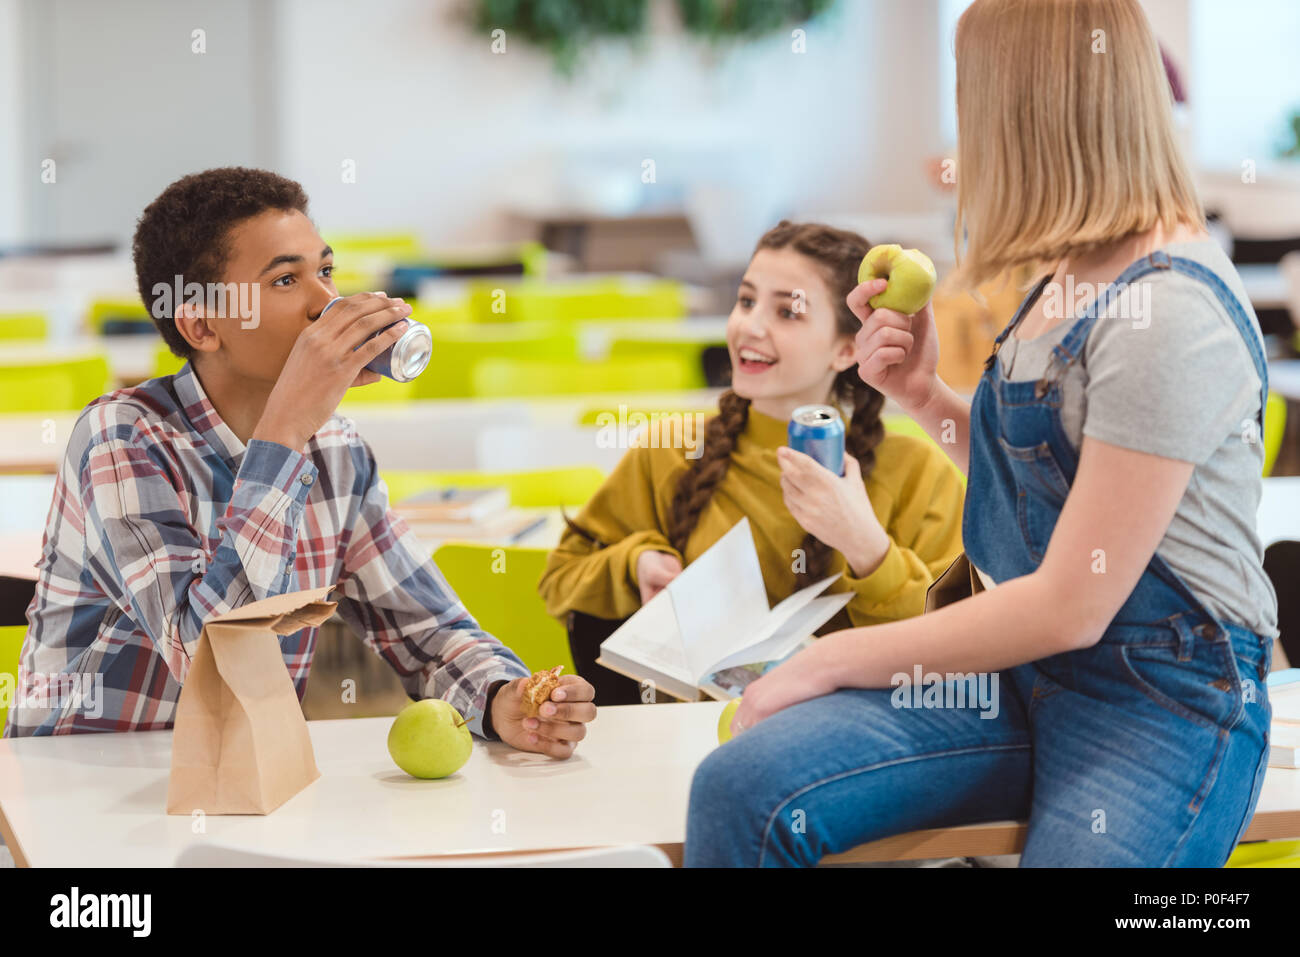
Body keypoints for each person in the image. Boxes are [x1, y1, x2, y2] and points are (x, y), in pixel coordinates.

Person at [686, 0, 1277, 867]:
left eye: (973, 97)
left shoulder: (1167, 310)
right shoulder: (1070, 272)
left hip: (1159, 697)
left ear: (1030, 111)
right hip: (1026, 671)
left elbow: (1075, 599)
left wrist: (834, 659)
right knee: (741, 786)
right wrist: (923, 394)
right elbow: (1046, 488)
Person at [8, 167, 595, 758]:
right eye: (286, 279)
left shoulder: (336, 450)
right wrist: (285, 430)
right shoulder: (123, 438)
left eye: (327, 270)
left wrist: (502, 698)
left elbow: (429, 633)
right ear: (202, 324)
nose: (327, 304)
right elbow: (207, 658)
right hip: (78, 785)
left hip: (244, 781)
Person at [538, 221, 965, 703]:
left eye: (787, 311)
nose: (750, 326)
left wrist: (867, 548)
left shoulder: (920, 473)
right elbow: (559, 581)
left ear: (848, 348)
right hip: (683, 746)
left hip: (848, 748)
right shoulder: (669, 449)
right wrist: (633, 565)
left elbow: (955, 654)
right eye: (745, 301)